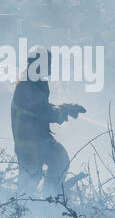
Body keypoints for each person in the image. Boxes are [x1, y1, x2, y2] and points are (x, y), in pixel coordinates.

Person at [10, 47, 84, 194]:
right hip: (30, 146)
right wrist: (66, 110)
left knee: (58, 161)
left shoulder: (33, 82)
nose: (50, 68)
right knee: (31, 180)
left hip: (37, 142)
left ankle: (48, 197)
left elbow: (43, 107)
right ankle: (48, 198)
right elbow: (45, 112)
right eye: (48, 64)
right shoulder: (27, 86)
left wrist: (67, 107)